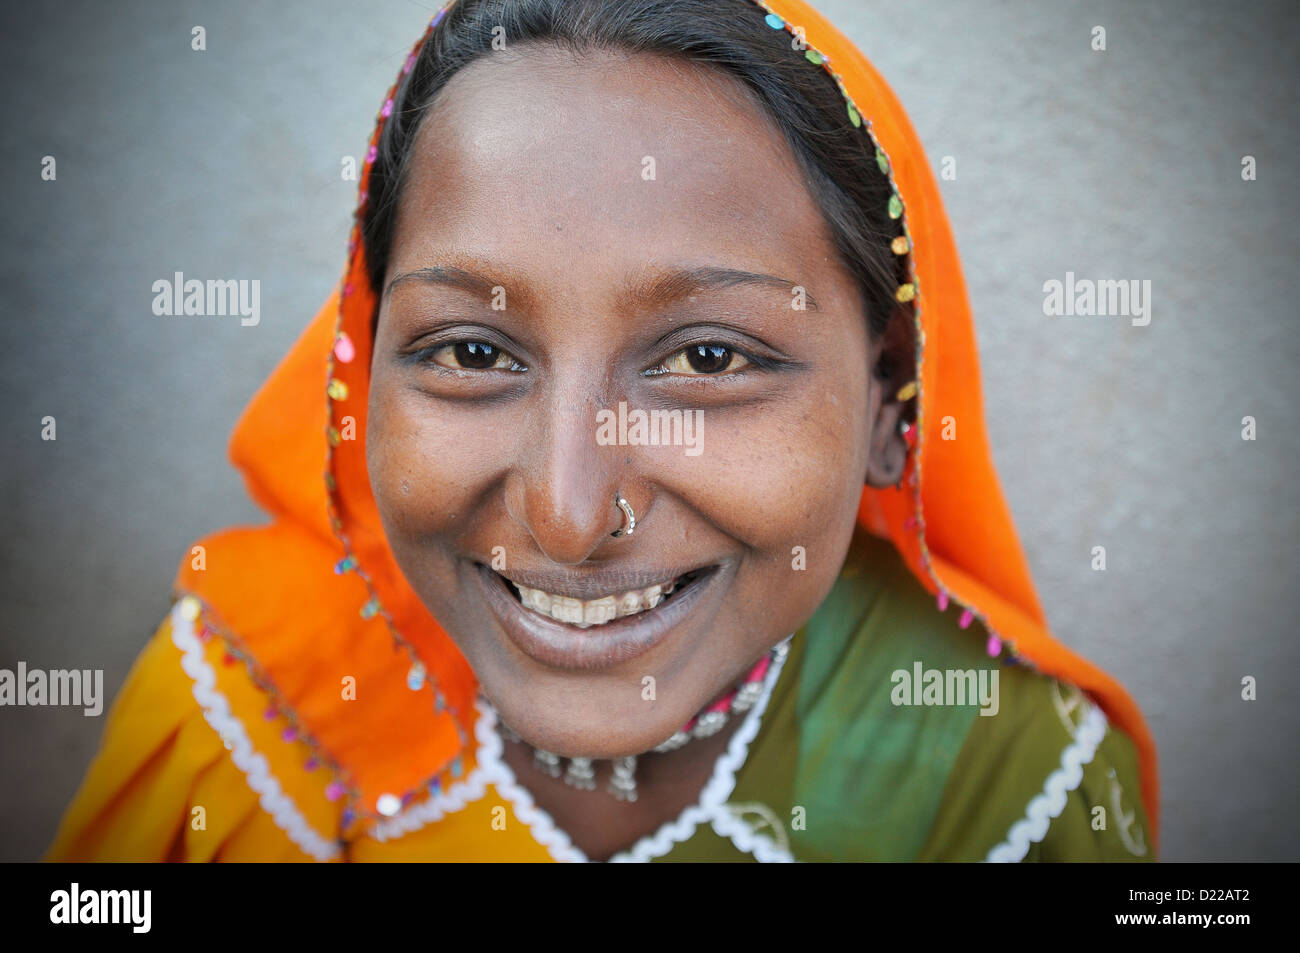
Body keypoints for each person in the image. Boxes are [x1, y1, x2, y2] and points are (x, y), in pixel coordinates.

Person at [47, 0, 1157, 862]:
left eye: (709, 358)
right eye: (474, 353)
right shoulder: (252, 709)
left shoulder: (998, 770)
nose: (570, 516)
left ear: (889, 400)